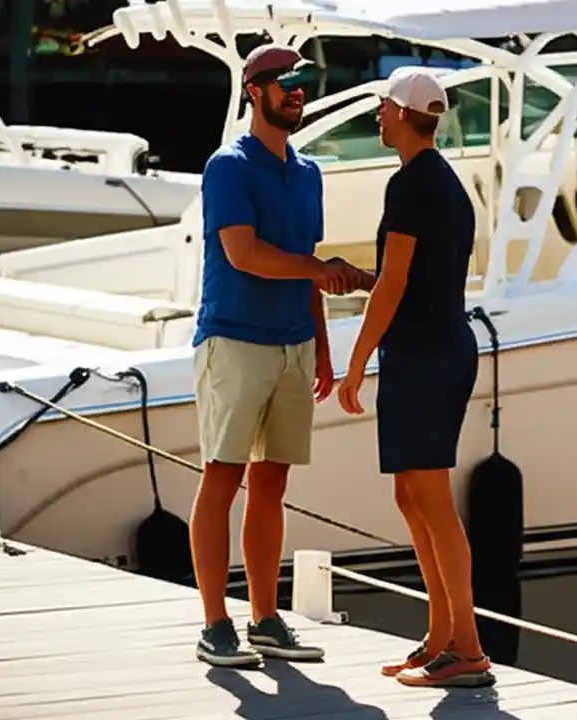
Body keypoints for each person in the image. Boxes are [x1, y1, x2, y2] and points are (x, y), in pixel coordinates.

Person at [189, 42, 362, 668]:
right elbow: (244, 253)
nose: (296, 92)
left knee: (272, 484)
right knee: (222, 479)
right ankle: (215, 625)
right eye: (284, 82)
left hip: (293, 344)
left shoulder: (309, 172)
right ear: (254, 91)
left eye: (301, 83)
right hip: (234, 341)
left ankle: (265, 620)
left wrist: (320, 348)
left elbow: (305, 273)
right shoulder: (227, 166)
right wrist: (320, 270)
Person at [336, 66, 494, 688]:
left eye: (381, 107)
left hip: (426, 357)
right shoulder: (439, 182)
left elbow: (399, 282)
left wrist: (354, 364)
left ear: (403, 114)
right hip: (435, 347)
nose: (377, 115)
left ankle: (469, 650)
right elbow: (413, 283)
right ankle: (440, 638)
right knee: (411, 496)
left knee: (429, 498)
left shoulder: (412, 185)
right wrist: (365, 280)